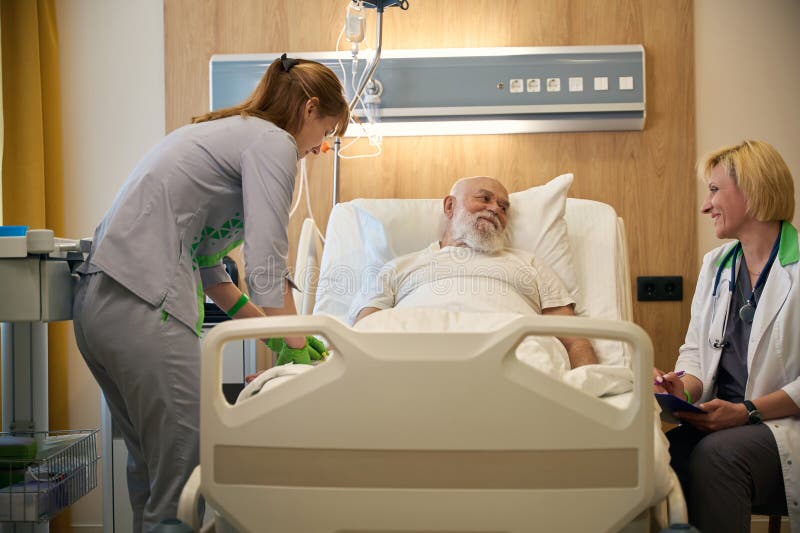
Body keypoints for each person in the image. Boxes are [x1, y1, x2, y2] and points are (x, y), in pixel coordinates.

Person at [72, 54, 348, 531]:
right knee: (185, 479)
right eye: (325, 133)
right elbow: (265, 267)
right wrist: (301, 346)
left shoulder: (229, 136)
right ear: (309, 109)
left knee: (154, 477)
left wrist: (275, 336)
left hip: (101, 309)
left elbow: (213, 275)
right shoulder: (272, 143)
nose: (317, 148)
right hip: (143, 308)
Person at [653, 140, 800, 532]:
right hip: (726, 422)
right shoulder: (716, 265)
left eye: (714, 190)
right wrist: (680, 388)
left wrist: (747, 410)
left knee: (717, 456)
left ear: (752, 191)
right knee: (658, 454)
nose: (706, 205)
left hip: (783, 426)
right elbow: (696, 353)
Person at [352, 176, 598, 369]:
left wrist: (586, 390)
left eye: (503, 207)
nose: (495, 209)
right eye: (484, 199)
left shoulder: (529, 265)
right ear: (450, 205)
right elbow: (363, 332)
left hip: (515, 357)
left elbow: (574, 340)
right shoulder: (399, 267)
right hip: (413, 355)